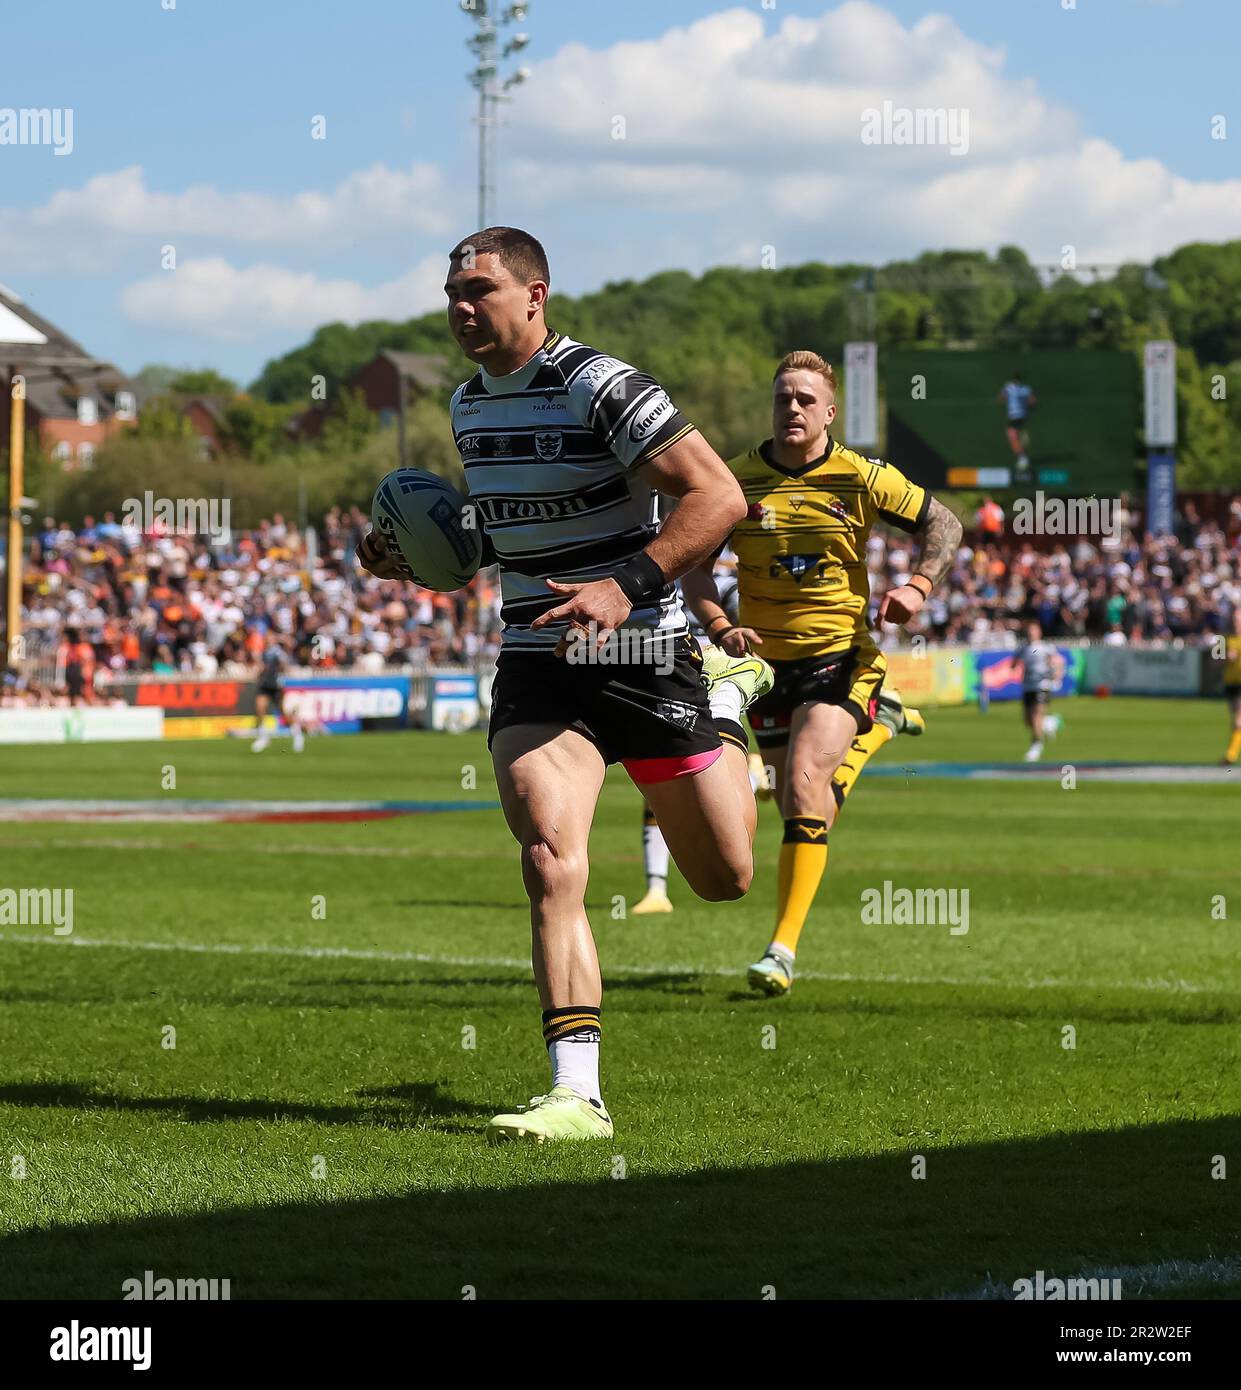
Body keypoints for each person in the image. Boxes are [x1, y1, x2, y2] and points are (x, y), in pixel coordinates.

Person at [357, 227, 774, 1143]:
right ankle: (574, 1093)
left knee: (726, 878)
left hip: (643, 653)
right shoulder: (467, 405)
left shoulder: (602, 385)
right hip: (540, 661)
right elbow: (502, 532)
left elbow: (717, 498)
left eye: (480, 290)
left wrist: (624, 586)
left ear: (536, 297)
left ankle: (730, 699)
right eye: (450, 292)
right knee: (549, 857)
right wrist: (410, 556)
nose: (461, 307)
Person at [681, 350, 962, 995]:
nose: (794, 409)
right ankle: (881, 725)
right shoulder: (736, 482)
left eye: (807, 399)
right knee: (797, 806)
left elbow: (945, 522)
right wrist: (722, 627)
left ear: (830, 411)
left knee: (805, 788)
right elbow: (692, 565)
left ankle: (780, 951)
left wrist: (918, 585)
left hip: (839, 659)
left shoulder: (861, 476)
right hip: (762, 668)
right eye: (784, 398)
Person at [251, 632, 305, 753]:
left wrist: (280, 674)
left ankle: (297, 735)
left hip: (275, 685)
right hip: (265, 685)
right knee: (259, 709)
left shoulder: (277, 652)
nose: (267, 640)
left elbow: (284, 664)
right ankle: (263, 737)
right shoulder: (264, 652)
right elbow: (262, 667)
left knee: (283, 713)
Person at [1016, 619, 1060, 761]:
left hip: (1042, 685)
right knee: (1028, 720)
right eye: (1029, 631)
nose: (1031, 633)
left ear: (1039, 632)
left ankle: (1036, 746)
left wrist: (1056, 674)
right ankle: (1048, 723)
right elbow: (1014, 663)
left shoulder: (1046, 647)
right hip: (1028, 685)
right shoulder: (1023, 649)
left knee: (1036, 716)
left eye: (1033, 630)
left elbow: (1057, 662)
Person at [998, 371, 1036, 480]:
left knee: (1012, 436)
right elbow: (1032, 401)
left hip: (1014, 415)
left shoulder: (1009, 387)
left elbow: (1001, 397)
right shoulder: (1025, 388)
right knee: (1014, 435)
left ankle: (1022, 457)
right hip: (1022, 415)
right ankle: (1022, 452)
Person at [1220, 607, 1241, 767]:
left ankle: (1231, 755)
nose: (1236, 622)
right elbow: (1215, 661)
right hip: (1231, 684)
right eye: (1234, 618)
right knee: (1236, 720)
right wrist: (1226, 658)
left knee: (1238, 721)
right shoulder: (1223, 639)